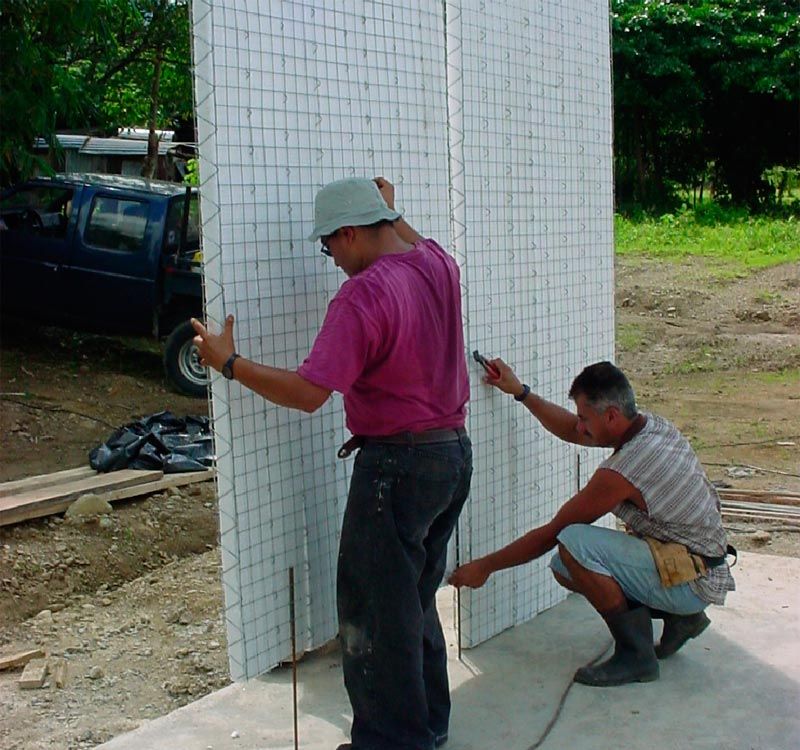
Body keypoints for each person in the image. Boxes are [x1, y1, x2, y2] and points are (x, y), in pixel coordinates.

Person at [192, 177, 472, 750]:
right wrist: (387, 208)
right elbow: (404, 234)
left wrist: (229, 363)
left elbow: (309, 392)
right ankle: (428, 728)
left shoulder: (364, 295)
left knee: (374, 613)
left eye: (330, 246)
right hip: (450, 457)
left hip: (396, 469)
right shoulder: (435, 263)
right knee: (412, 602)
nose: (333, 259)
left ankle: (392, 743)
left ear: (348, 233)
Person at [449, 360, 735, 687]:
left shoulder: (625, 469)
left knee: (573, 544)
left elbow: (552, 534)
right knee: (565, 567)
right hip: (699, 565)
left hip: (694, 578)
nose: (581, 427)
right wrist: (521, 393)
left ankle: (636, 656)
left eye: (586, 418)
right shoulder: (650, 427)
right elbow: (572, 429)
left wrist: (486, 566)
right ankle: (681, 618)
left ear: (611, 415)